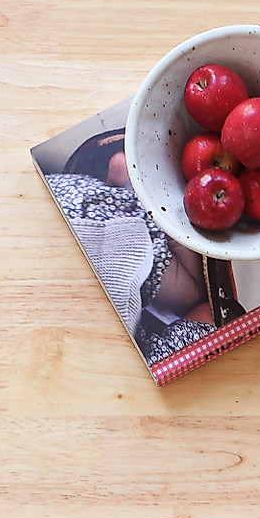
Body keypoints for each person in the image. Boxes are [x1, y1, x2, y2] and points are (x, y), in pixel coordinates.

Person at [45, 130, 215, 366]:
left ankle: (153, 213)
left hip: (126, 252)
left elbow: (201, 322)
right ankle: (127, 180)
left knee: (202, 295)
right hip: (72, 196)